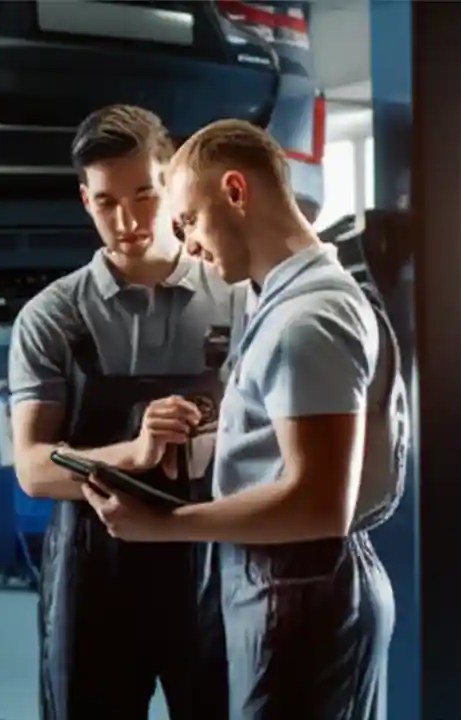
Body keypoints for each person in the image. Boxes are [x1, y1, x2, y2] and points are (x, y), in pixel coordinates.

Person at [82, 119, 409, 720]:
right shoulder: (284, 304)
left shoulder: (307, 320)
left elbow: (318, 503)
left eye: (188, 221)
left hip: (300, 589)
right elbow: (286, 450)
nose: (189, 246)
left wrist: (164, 526)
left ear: (235, 191)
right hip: (284, 583)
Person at [8, 105, 238, 720]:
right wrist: (130, 457)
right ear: (86, 200)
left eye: (145, 195)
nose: (129, 220)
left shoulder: (235, 298)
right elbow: (33, 468)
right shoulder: (52, 317)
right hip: (94, 569)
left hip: (212, 558)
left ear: (173, 186)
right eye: (107, 202)